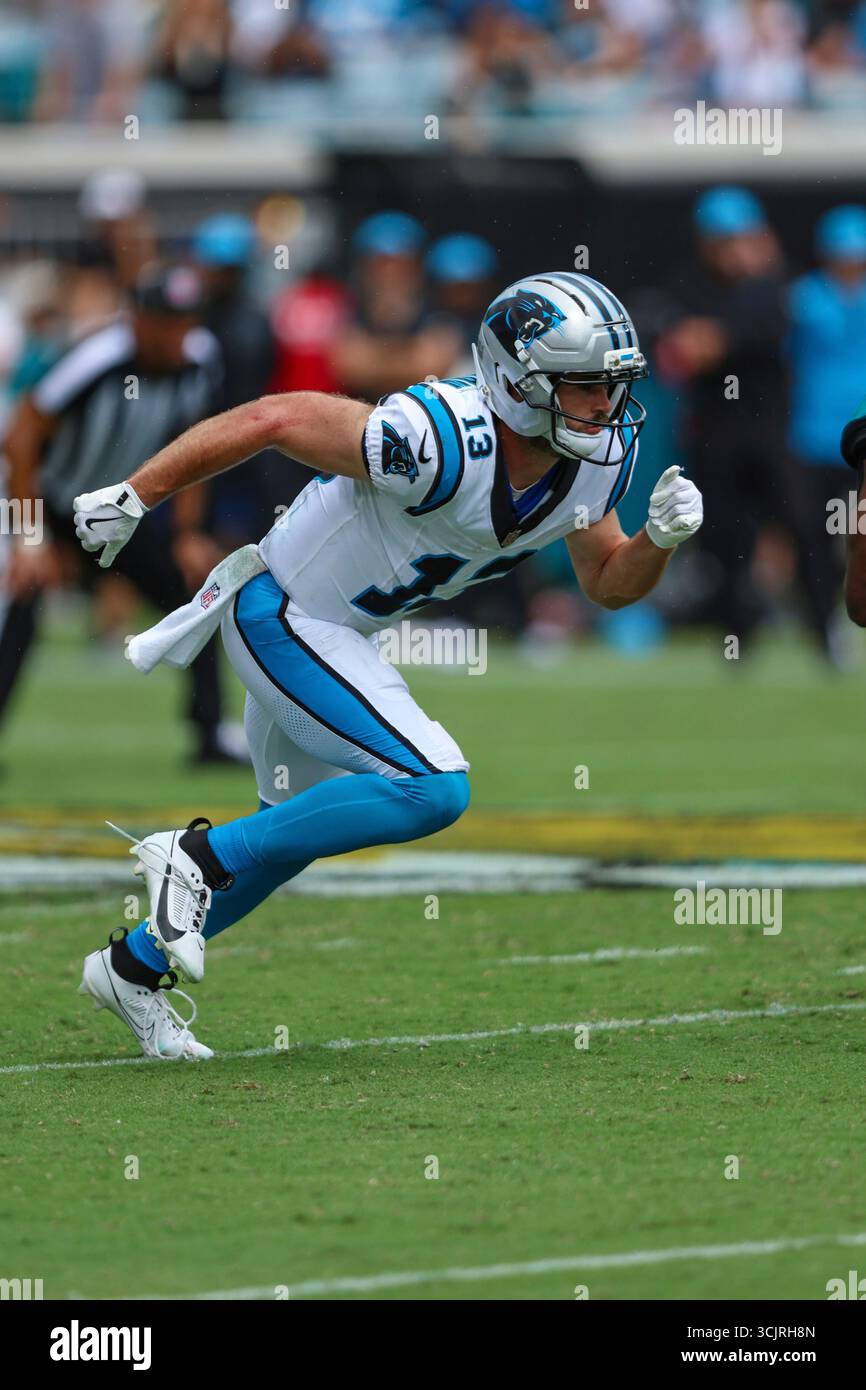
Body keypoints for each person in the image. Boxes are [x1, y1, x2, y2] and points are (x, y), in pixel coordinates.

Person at [72, 270, 703, 1059]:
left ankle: (129, 968)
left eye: (610, 387)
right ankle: (191, 855)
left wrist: (658, 542)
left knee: (284, 840)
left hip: (335, 634)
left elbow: (608, 582)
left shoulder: (597, 457)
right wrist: (137, 492)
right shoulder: (437, 438)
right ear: (514, 382)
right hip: (286, 616)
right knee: (434, 786)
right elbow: (276, 416)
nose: (604, 407)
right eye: (581, 387)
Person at [0, 262, 239, 764]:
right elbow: (22, 435)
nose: (179, 334)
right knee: (20, 604)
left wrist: (188, 532)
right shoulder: (98, 357)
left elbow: (197, 448)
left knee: (197, 592)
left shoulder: (199, 360)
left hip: (117, 512)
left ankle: (209, 735)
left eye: (186, 320)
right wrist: (29, 535)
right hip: (49, 504)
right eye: (166, 321)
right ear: (138, 320)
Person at [788, 205, 866, 658]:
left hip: (862, 434)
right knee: (814, 539)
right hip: (814, 434)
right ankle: (823, 628)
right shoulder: (804, 298)